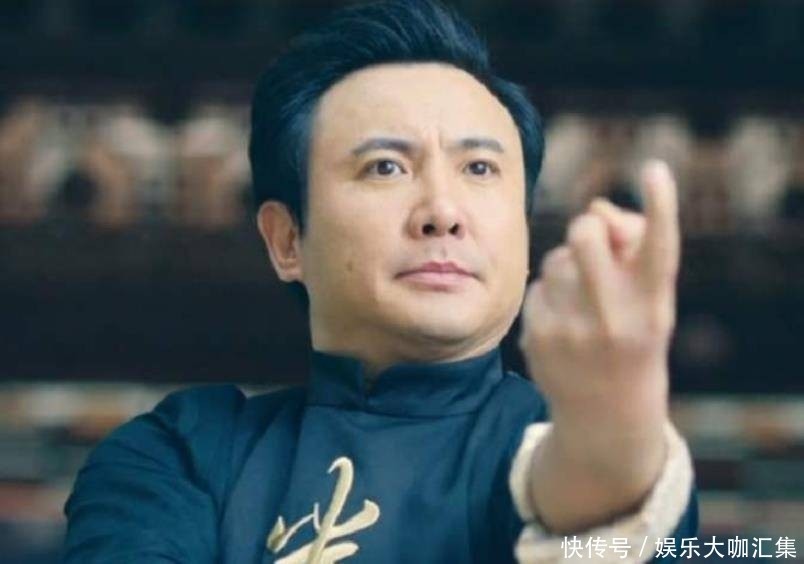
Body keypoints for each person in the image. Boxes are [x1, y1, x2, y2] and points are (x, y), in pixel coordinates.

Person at [61, 1, 698, 562]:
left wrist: (615, 415)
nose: (442, 211)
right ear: (287, 240)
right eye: (385, 167)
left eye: (479, 168)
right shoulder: (184, 455)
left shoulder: (599, 456)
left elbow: (599, 506)